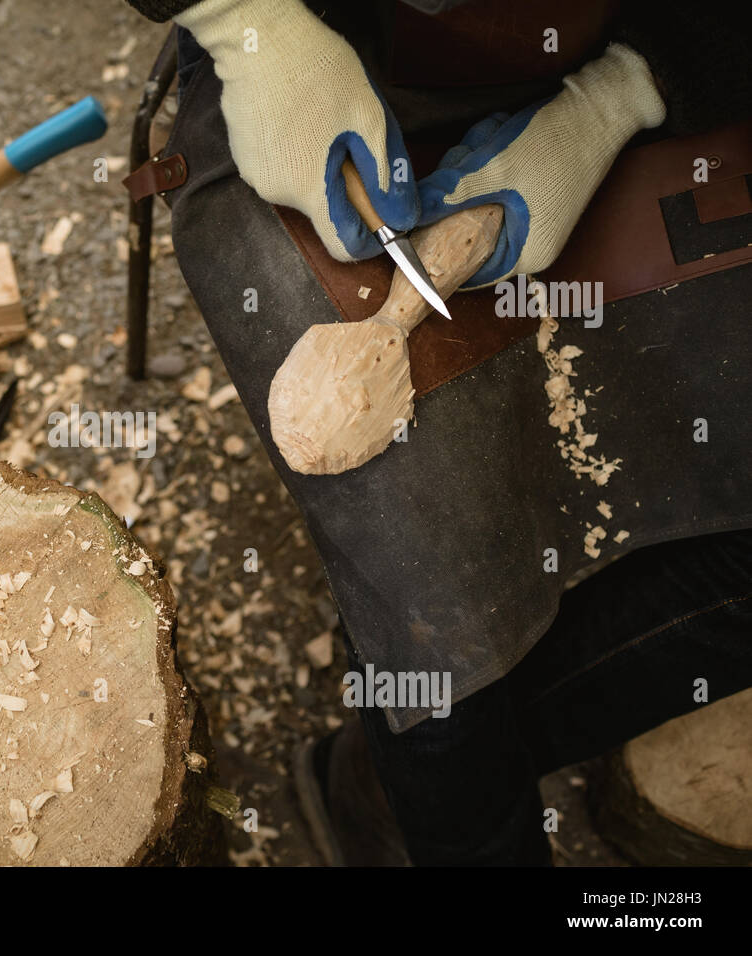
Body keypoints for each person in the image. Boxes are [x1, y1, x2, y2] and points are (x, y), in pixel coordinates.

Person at [122, 0, 752, 864]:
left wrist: (618, 97)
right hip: (319, 63)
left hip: (657, 55)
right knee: (429, 594)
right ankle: (435, 800)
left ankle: (435, 770)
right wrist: (245, 23)